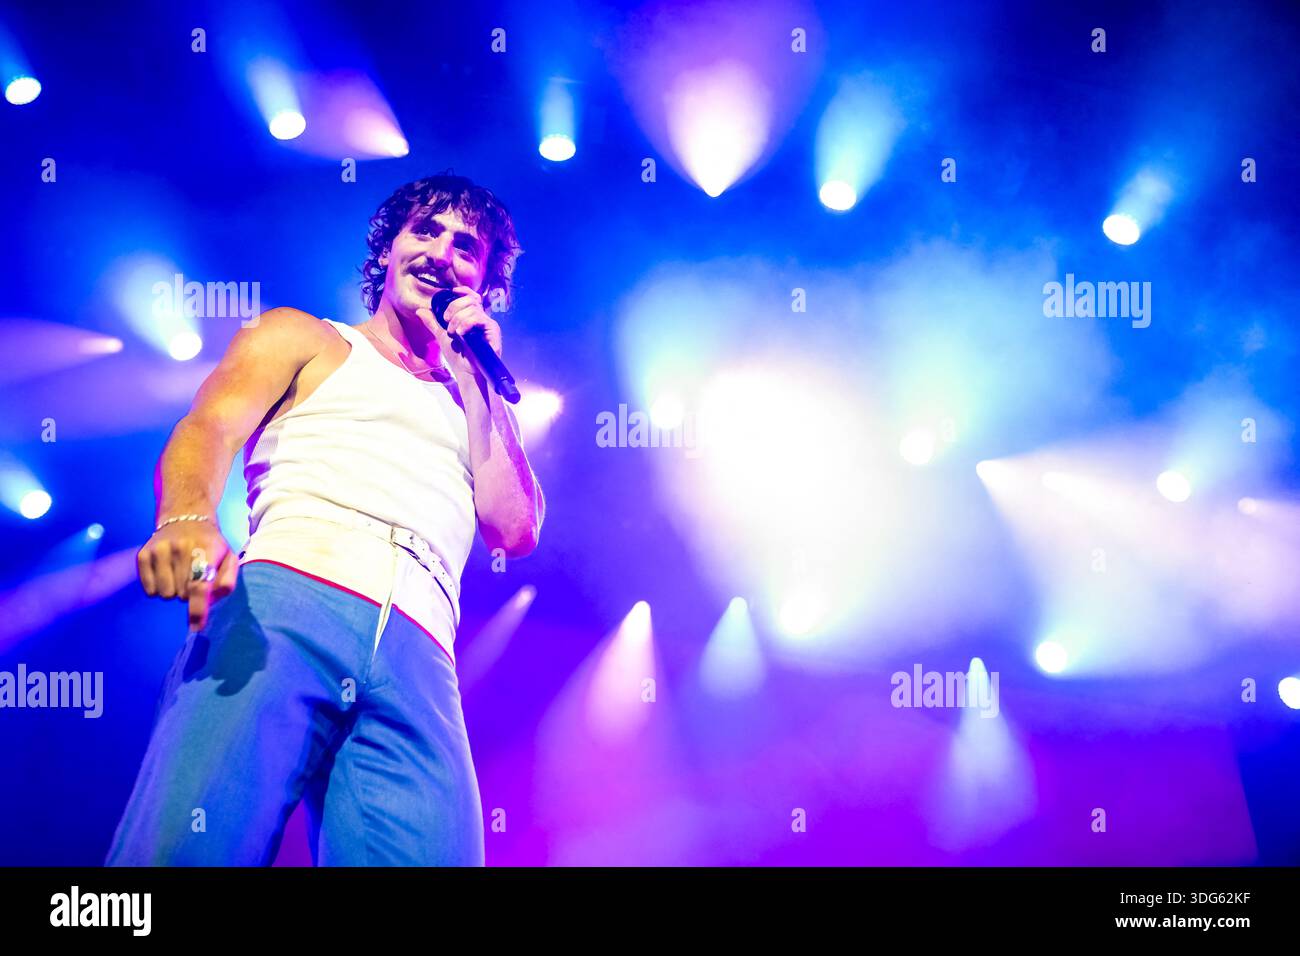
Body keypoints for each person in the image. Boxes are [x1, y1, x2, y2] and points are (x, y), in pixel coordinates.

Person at [106, 172, 543, 866]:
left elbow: (514, 528)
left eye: (466, 247)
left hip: (422, 651)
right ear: (389, 250)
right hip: (289, 599)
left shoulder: (479, 403)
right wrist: (186, 516)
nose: (440, 252)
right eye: (424, 231)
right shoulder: (305, 338)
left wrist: (475, 377)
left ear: (483, 285)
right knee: (189, 843)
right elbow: (209, 426)